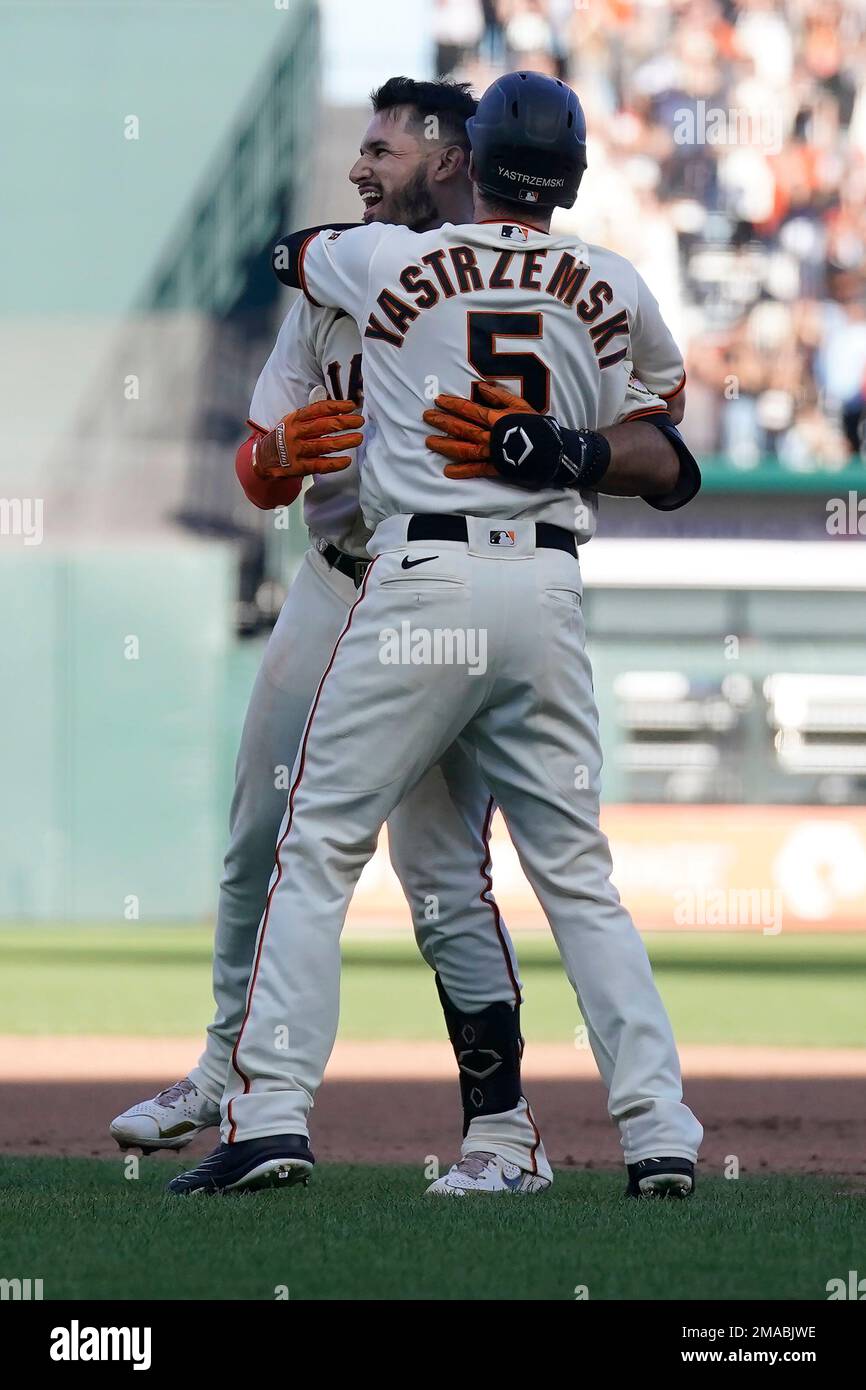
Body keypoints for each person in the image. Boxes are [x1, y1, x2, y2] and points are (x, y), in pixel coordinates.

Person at [167, 71, 703, 1200]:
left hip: (419, 583)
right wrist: (563, 447)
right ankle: (658, 1133)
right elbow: (672, 454)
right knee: (576, 878)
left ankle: (267, 1114)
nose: (368, 163)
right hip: (545, 589)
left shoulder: (385, 261)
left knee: (312, 848)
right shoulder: (611, 280)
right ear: (570, 175)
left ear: (466, 156)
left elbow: (287, 252)